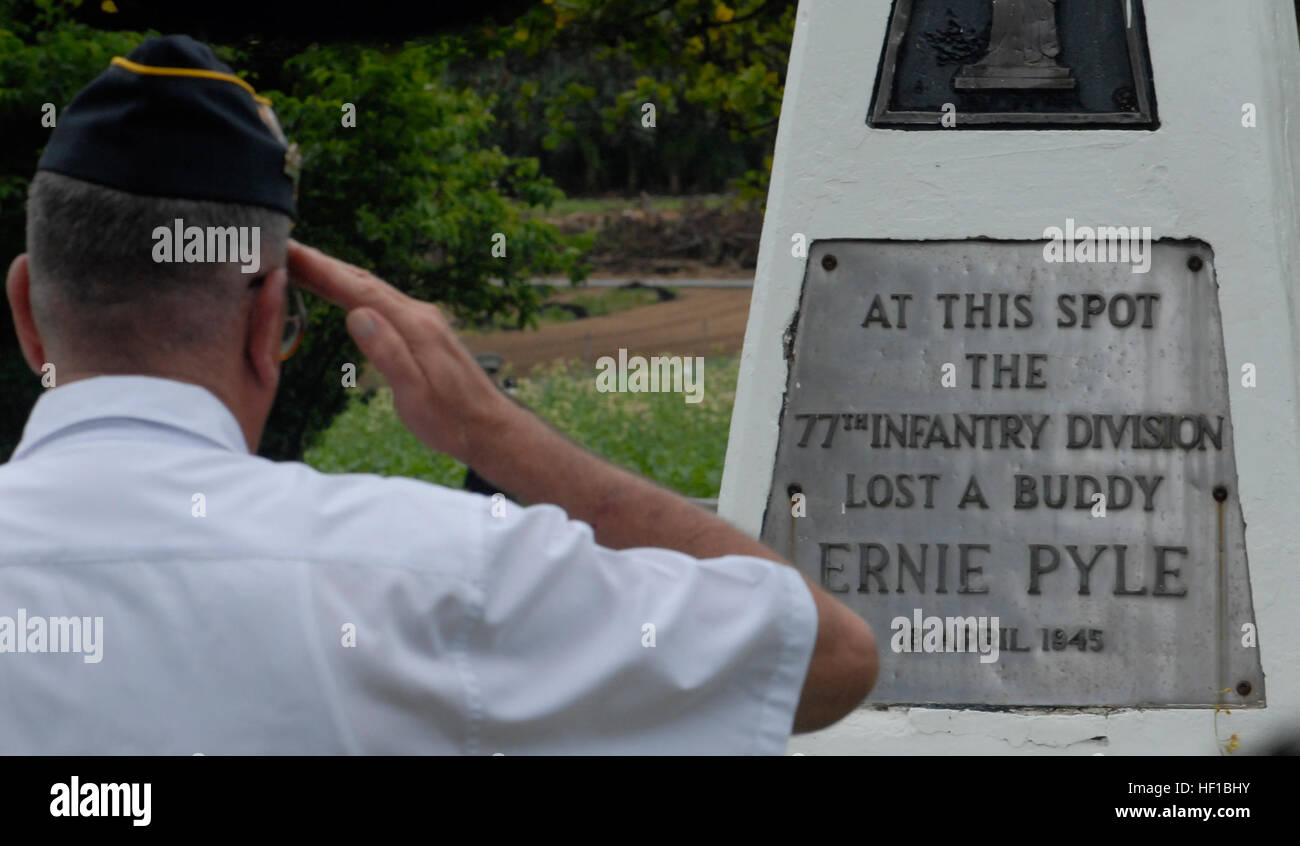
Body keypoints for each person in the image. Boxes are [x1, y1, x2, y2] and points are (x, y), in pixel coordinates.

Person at [0, 34, 877, 754]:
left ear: (27, 309)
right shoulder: (436, 570)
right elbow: (829, 658)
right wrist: (489, 428)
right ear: (268, 317)